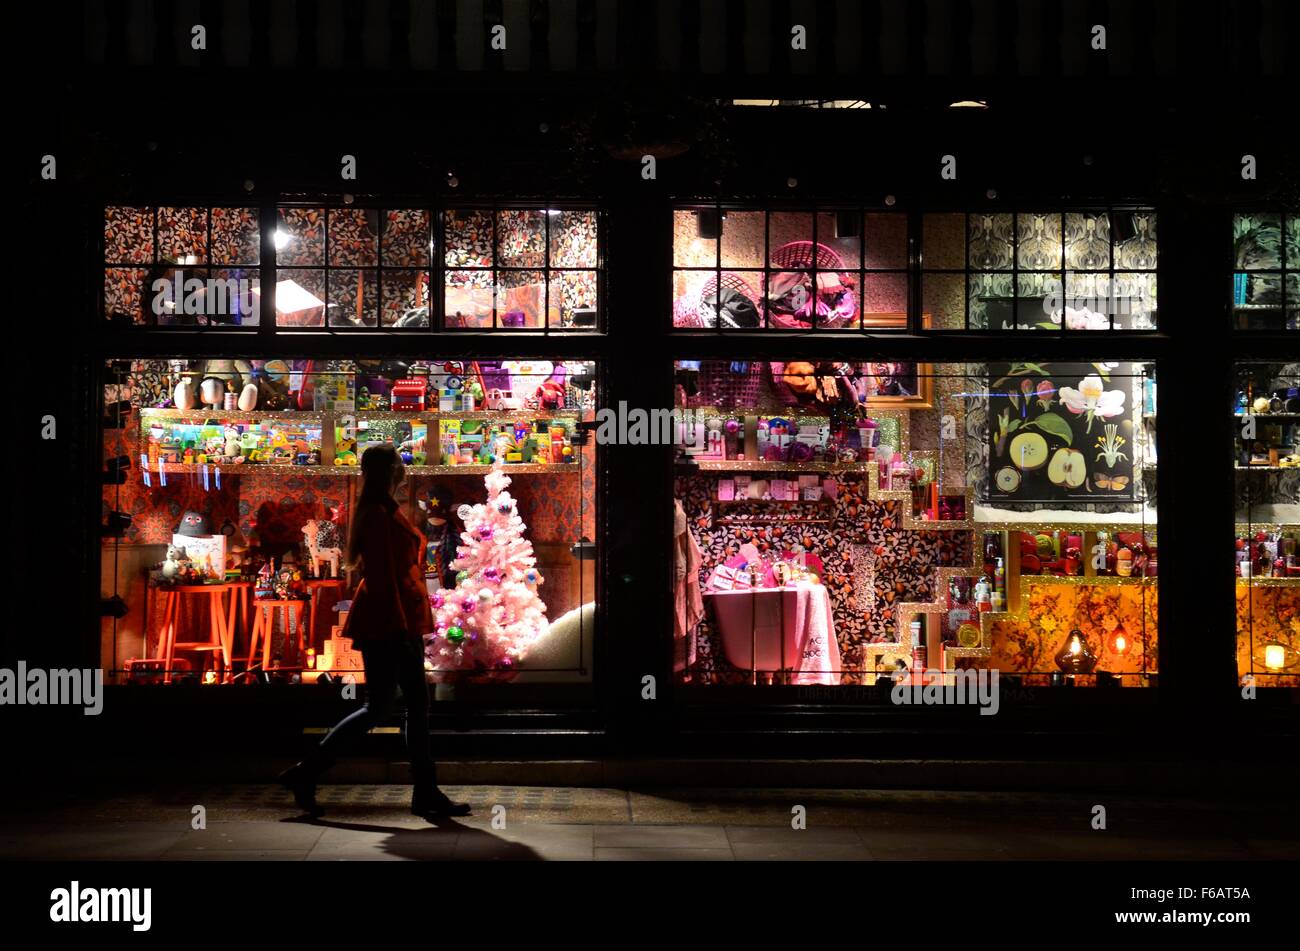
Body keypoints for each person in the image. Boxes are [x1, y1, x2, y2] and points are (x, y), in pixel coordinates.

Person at [279, 445, 470, 819]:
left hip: (395, 617)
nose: (404, 468)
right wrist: (401, 627)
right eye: (400, 463)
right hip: (391, 620)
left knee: (396, 706)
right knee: (391, 706)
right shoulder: (380, 513)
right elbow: (384, 576)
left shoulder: (382, 509)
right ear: (392, 470)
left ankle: (312, 773)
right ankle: (312, 773)